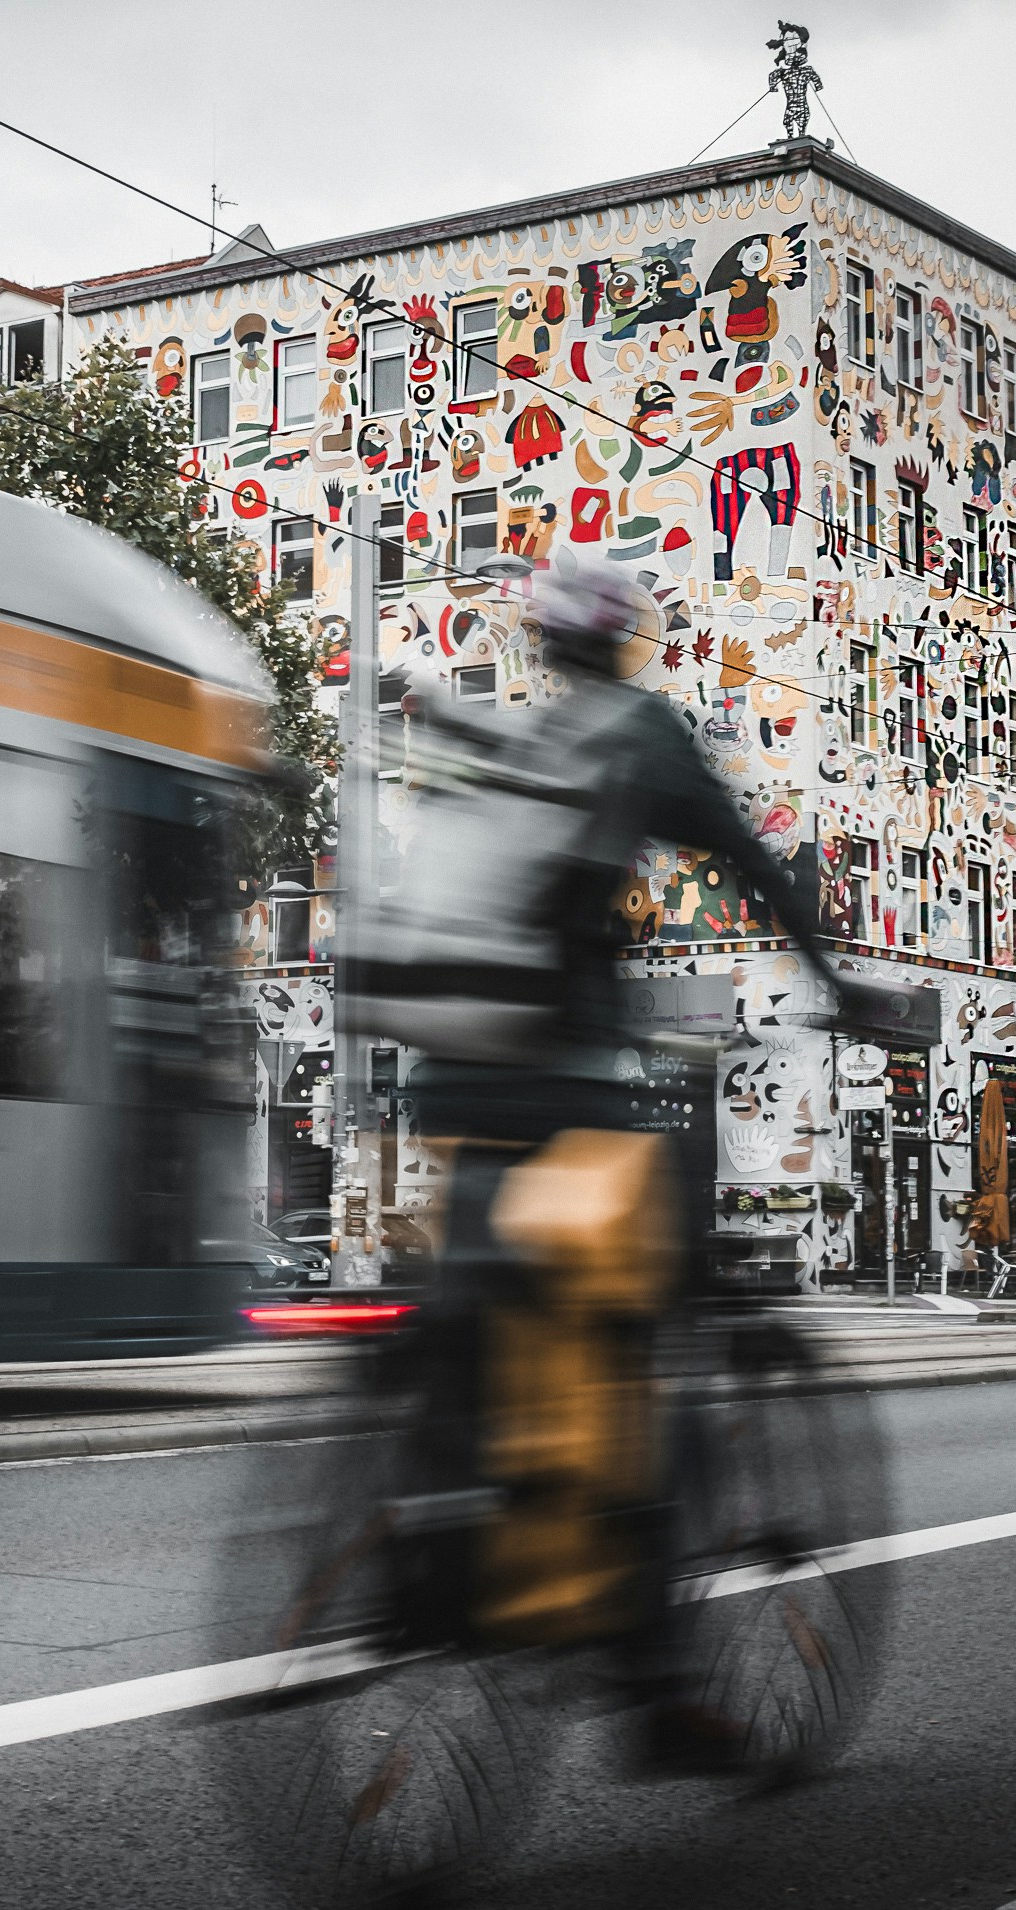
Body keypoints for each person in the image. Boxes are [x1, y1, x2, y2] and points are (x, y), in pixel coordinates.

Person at [343, 564, 879, 1766]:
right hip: (569, 1093)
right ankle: (655, 1682)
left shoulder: (516, 735)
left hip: (448, 1084)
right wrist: (830, 978)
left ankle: (424, 1535)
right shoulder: (640, 732)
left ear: (542, 650)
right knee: (648, 1338)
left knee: (479, 1318)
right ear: (626, 646)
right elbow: (748, 857)